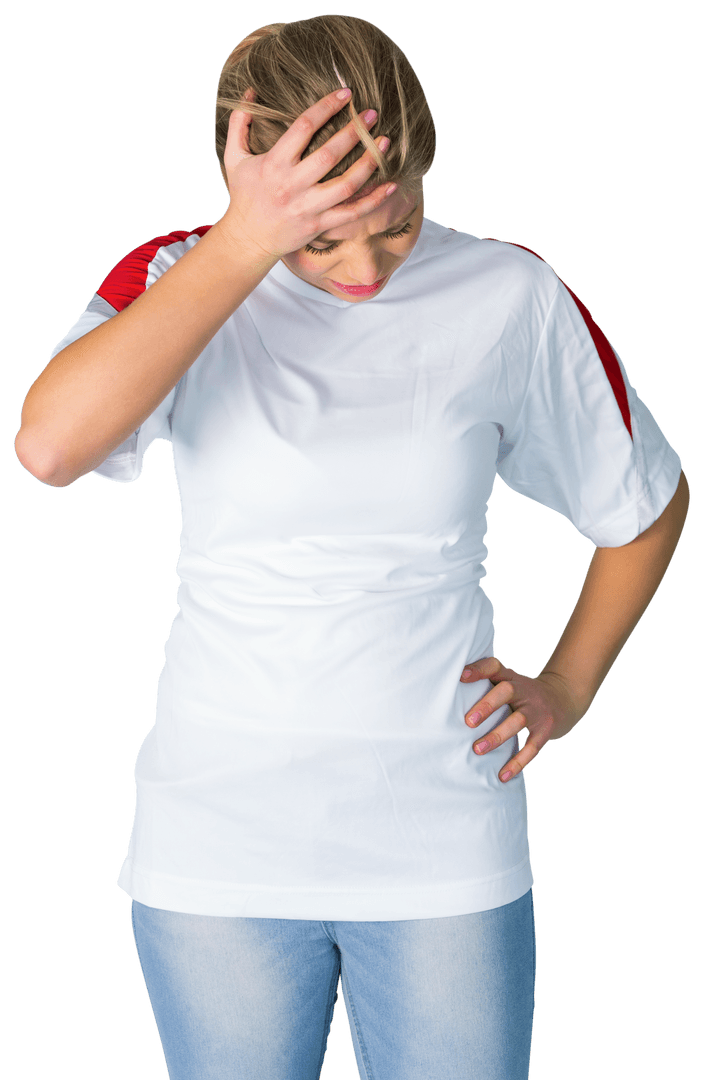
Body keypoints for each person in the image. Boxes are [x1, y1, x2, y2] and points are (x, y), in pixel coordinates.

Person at [14, 14, 688, 1080]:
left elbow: (642, 504)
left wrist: (567, 684)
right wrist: (245, 242)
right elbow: (48, 448)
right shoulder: (182, 275)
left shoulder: (508, 294)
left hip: (441, 839)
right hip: (218, 840)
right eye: (322, 238)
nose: (366, 269)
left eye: (396, 218)